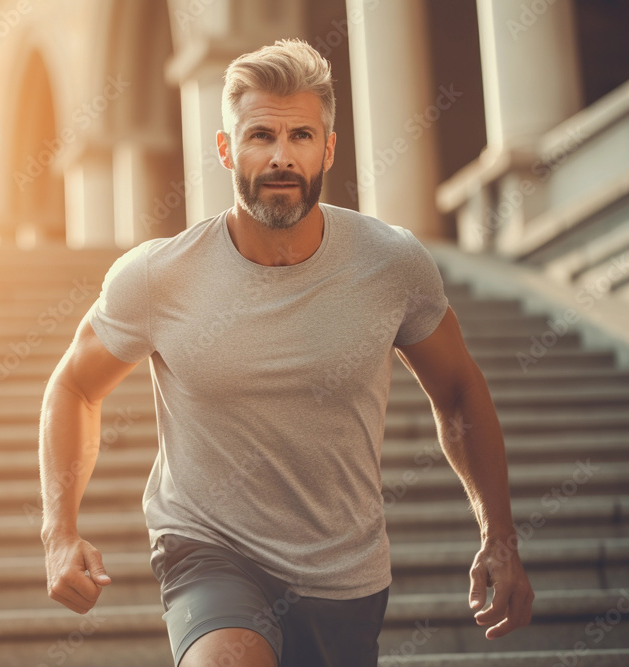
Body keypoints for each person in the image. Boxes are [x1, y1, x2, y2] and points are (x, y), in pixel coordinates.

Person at [37, 38, 534, 667]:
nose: (281, 156)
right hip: (208, 551)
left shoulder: (390, 263)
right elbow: (74, 386)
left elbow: (458, 389)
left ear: (328, 148)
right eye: (260, 136)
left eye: (301, 135)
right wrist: (59, 532)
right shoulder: (158, 276)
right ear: (226, 149)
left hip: (345, 574)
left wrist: (498, 534)